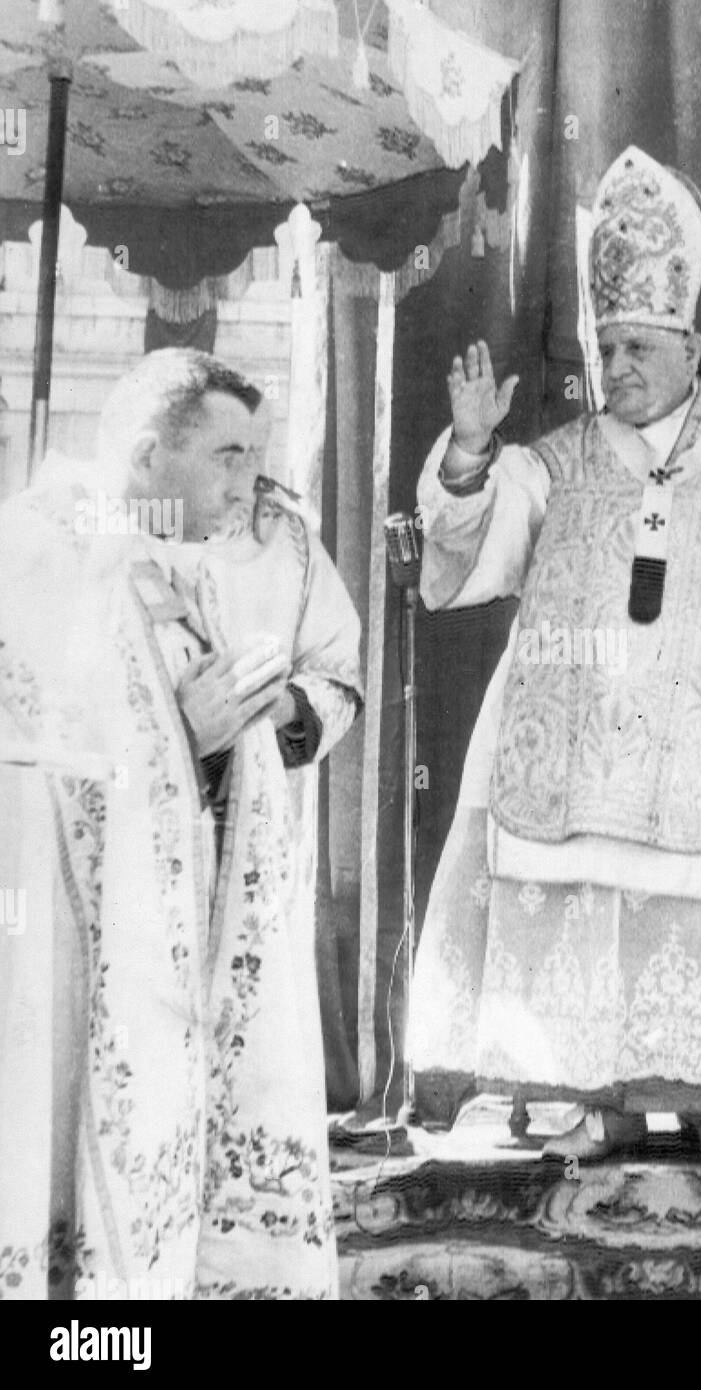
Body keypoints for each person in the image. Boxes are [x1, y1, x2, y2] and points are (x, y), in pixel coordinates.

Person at [409, 146, 701, 1161]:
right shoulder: (562, 458)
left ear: (689, 342)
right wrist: (468, 451)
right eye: (607, 348)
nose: (616, 369)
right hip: (579, 741)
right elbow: (471, 549)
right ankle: (596, 1088)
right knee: (582, 889)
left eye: (637, 350)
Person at [0, 349, 362, 1299]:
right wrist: (184, 732)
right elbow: (44, 752)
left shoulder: (172, 561)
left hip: (157, 936)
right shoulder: (48, 547)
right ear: (151, 455)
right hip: (59, 949)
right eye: (229, 455)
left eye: (254, 456)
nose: (248, 482)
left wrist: (219, 738)